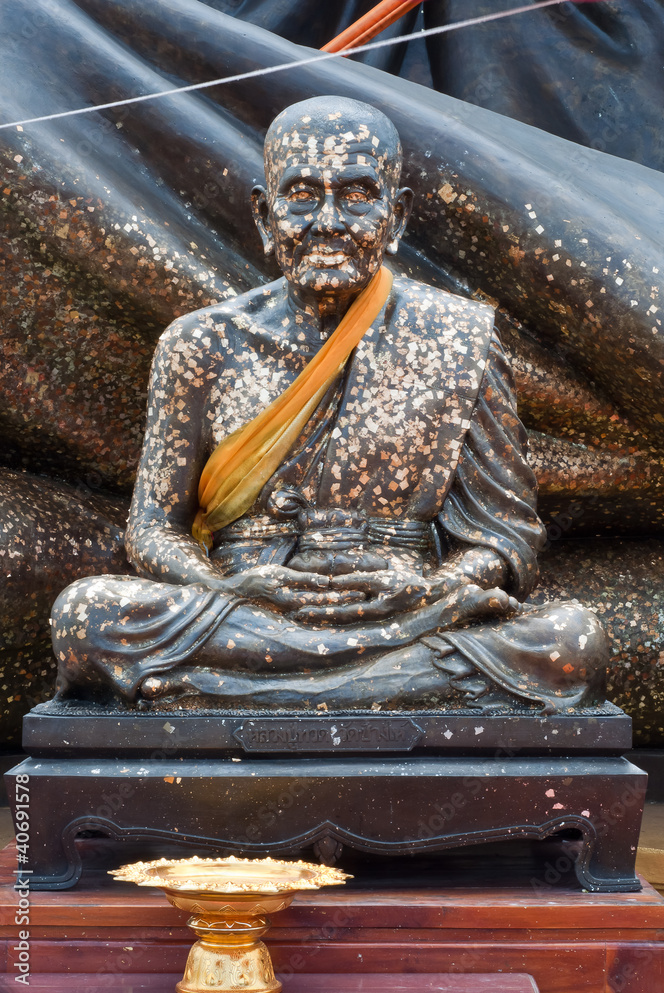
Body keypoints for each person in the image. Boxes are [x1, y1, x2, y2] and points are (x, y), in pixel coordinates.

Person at [51, 96, 607, 714]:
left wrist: (434, 588)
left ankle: (238, 691)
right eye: (302, 196)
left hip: (403, 609)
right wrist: (224, 583)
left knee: (569, 642)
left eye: (358, 195)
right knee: (86, 615)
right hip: (251, 605)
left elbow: (506, 535)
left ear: (396, 216)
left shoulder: (459, 336)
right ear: (265, 215)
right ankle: (376, 689)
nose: (329, 221)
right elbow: (154, 528)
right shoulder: (202, 342)